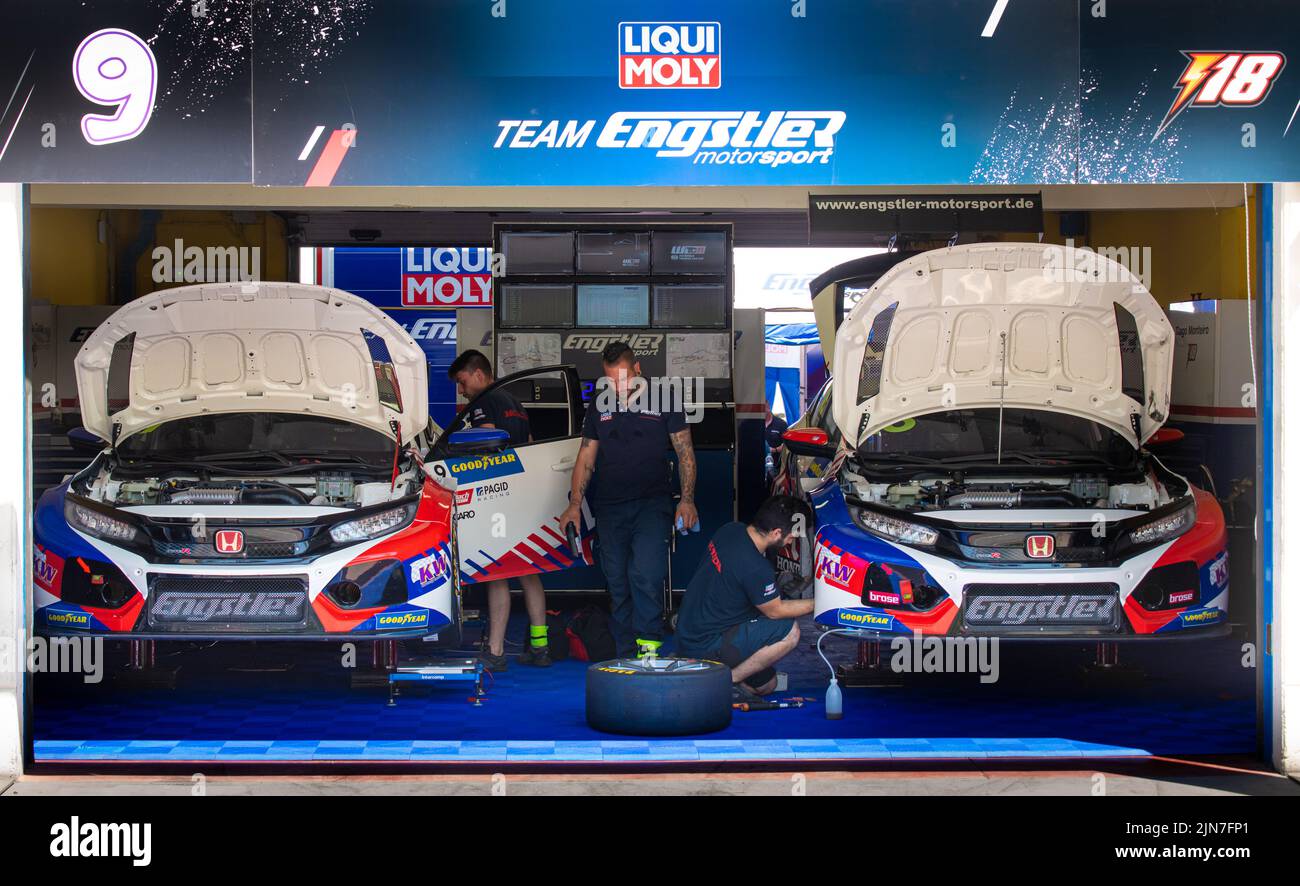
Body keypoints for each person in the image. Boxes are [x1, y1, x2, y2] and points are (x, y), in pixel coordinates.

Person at [559, 342, 698, 658]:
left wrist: (687, 500)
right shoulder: (600, 402)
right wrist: (574, 504)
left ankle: (648, 650)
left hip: (652, 504)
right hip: (610, 506)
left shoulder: (664, 399)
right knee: (618, 582)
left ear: (638, 369)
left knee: (645, 575)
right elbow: (586, 456)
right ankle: (625, 654)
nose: (618, 388)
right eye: (611, 381)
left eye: (623, 381)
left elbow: (685, 452)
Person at [447, 350, 550, 671]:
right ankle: (540, 646)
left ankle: (494, 651)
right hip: (524, 492)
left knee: (496, 573)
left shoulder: (483, 403)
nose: (462, 391)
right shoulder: (516, 403)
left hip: (498, 496)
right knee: (528, 570)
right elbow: (530, 444)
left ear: (478, 374)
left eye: (462, 382)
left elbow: (484, 444)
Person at [675, 495, 812, 696]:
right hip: (705, 643)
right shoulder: (756, 567)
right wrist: (823, 603)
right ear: (776, 533)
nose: (792, 541)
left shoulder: (730, 529)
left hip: (688, 633)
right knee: (790, 631)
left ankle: (718, 672)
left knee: (768, 684)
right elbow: (776, 611)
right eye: (791, 537)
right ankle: (724, 681)